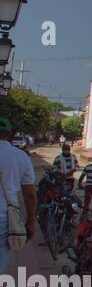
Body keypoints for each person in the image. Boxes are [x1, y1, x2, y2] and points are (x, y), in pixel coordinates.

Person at [0, 117, 37, 275]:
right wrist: (30, 222)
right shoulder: (21, 157)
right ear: (10, 134)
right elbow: (29, 196)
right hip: (4, 218)